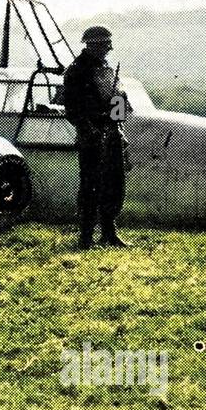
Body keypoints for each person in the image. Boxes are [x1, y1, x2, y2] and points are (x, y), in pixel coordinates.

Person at [63, 25, 131, 249]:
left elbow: (121, 100)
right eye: (105, 45)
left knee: (113, 184)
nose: (108, 50)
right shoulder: (76, 71)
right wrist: (90, 130)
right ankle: (85, 237)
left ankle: (109, 233)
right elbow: (73, 109)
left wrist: (117, 120)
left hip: (112, 133)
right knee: (91, 186)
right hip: (92, 137)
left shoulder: (107, 69)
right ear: (93, 45)